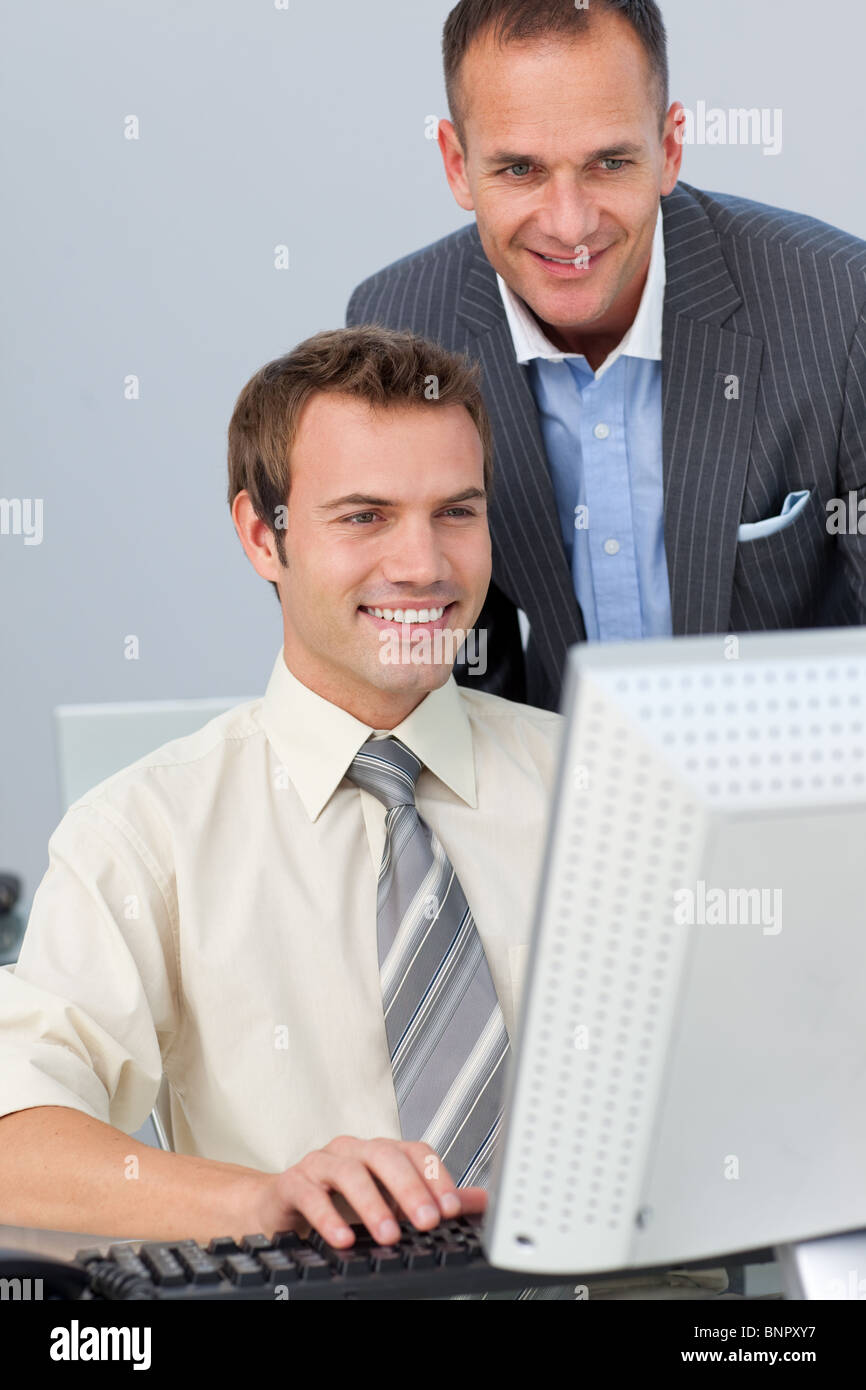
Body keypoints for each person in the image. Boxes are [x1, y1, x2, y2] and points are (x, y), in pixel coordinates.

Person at [0, 327, 564, 1275]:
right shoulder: (143, 835)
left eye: (455, 512)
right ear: (266, 536)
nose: (423, 565)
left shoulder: (606, 787)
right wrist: (261, 1201)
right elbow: (14, 1146)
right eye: (365, 517)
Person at [347, 0, 866, 711]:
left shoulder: (840, 306)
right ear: (457, 164)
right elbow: (447, 664)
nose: (570, 226)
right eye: (521, 169)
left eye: (609, 162)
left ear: (669, 149)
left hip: (797, 791)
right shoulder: (404, 324)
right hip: (546, 789)